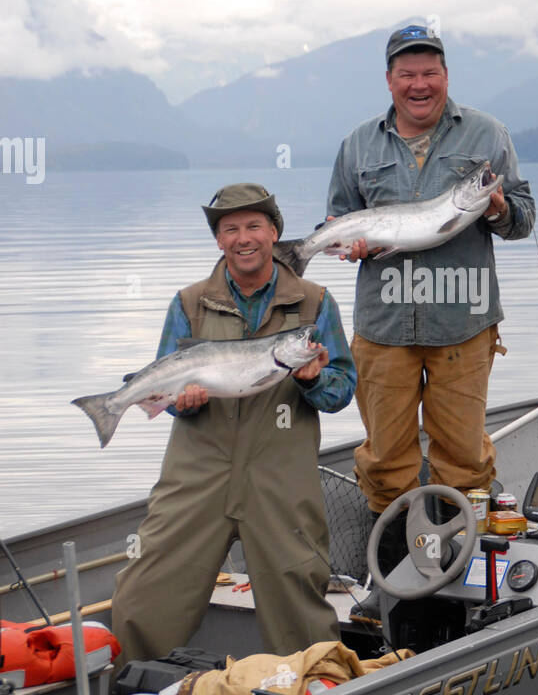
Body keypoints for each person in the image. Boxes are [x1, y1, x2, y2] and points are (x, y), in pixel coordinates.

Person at [326, 24, 535, 594]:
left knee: (464, 459)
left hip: (462, 325)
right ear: (390, 80)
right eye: (407, 74)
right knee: (384, 461)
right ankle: (391, 587)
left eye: (430, 73)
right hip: (383, 326)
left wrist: (493, 207)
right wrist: (348, 246)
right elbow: (341, 217)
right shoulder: (358, 144)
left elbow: (523, 217)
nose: (420, 84)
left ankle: (461, 580)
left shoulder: (489, 135)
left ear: (446, 75)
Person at [112, 182, 356, 667]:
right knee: (146, 595)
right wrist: (184, 402)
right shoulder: (189, 303)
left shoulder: (314, 303)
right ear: (218, 240)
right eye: (231, 229)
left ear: (274, 232)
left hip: (281, 476)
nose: (244, 238)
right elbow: (165, 386)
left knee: (301, 604)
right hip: (197, 472)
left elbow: (342, 388)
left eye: (254, 226)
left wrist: (312, 378)